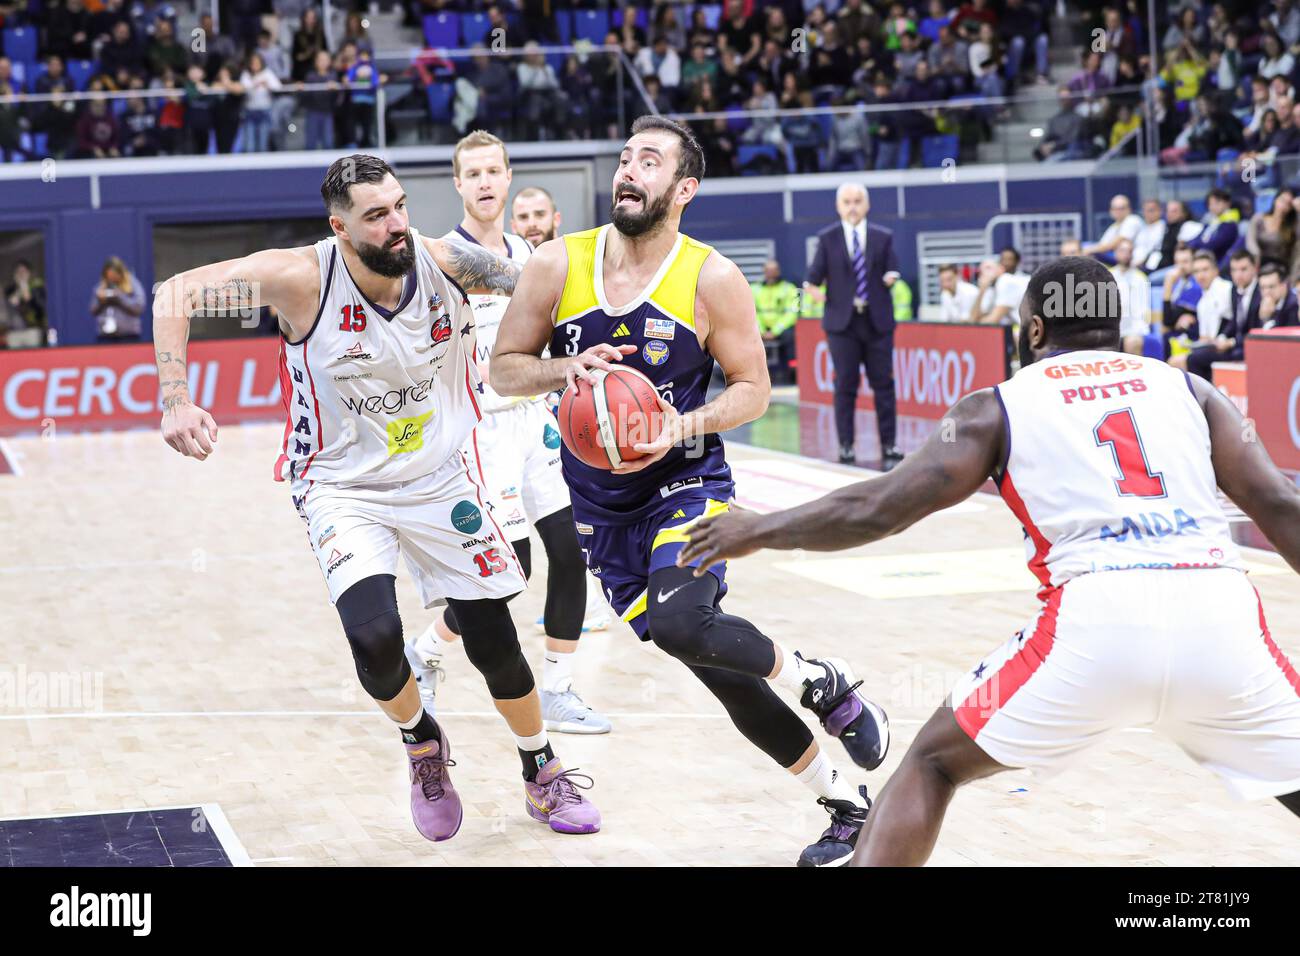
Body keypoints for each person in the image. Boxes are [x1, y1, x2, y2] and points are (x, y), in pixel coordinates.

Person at [679, 255, 1300, 866]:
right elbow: (1279, 503)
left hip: (1096, 621)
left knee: (933, 764)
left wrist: (761, 529)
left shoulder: (996, 405)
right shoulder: (1191, 390)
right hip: (1221, 616)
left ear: (1033, 330)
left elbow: (879, 507)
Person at [154, 154, 599, 842]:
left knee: (494, 643)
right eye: (376, 215)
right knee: (374, 637)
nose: (397, 225)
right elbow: (173, 293)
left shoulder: (444, 260)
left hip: (440, 478)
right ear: (339, 227)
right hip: (341, 485)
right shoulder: (300, 278)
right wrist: (176, 399)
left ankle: (541, 767)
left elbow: (547, 287)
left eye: (399, 206)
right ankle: (422, 741)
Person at [491, 116, 890, 866]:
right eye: (625, 158)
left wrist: (683, 426)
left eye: (650, 161)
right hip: (601, 513)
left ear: (684, 188)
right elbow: (503, 368)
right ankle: (847, 805)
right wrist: (560, 371)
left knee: (682, 625)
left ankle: (822, 682)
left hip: (687, 482)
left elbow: (754, 389)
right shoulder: (556, 264)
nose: (629, 171)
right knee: (717, 667)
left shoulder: (710, 276)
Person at [402, 133, 613, 736]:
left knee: (573, 555)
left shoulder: (530, 253)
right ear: (459, 184)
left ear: (508, 175)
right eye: (474, 173)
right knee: (509, 570)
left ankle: (558, 689)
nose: (486, 181)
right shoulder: (442, 257)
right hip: (482, 434)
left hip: (538, 427)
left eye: (495, 170)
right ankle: (426, 651)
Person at [805, 184, 903, 468]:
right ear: (838, 206)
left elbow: (893, 268)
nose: (852, 207)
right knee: (845, 384)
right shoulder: (828, 239)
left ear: (867, 205)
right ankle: (846, 445)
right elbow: (812, 277)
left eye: (858, 201)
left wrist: (891, 277)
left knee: (883, 384)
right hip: (842, 324)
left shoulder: (883, 237)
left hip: (877, 322)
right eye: (847, 202)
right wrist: (814, 292)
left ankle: (890, 443)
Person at [1182, 250, 1258, 381]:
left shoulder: (1228, 289)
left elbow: (1251, 328)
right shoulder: (1234, 290)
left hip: (1246, 346)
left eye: (1243, 269)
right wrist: (1221, 338)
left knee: (1192, 359)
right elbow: (1234, 322)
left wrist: (1230, 341)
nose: (1238, 275)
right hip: (1231, 344)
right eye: (1234, 270)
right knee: (1193, 357)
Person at [1169, 250, 1235, 375]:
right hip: (1211, 347)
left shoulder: (1227, 289)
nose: (1201, 275)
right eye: (1197, 271)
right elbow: (1204, 338)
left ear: (1215, 271)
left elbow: (1233, 323)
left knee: (1180, 362)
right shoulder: (1202, 302)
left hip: (1228, 346)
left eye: (1205, 270)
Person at [752, 258, 800, 384]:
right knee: (749, 337)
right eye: (768, 271)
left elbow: (792, 313)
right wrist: (761, 330)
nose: (771, 274)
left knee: (792, 337)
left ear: (778, 271)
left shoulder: (790, 289)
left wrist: (775, 330)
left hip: (781, 328)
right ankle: (756, 375)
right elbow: (752, 312)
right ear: (764, 272)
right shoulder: (754, 289)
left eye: (773, 271)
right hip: (761, 327)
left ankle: (793, 372)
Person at [1109, 237, 1151, 354]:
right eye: (1122, 250)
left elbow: (1143, 310)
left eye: (1129, 251)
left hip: (1134, 328)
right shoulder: (1107, 275)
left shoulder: (1140, 277)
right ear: (1115, 253)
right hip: (1112, 327)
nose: (1126, 254)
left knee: (1132, 342)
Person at [90, 256, 144, 342]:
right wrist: (101, 301)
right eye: (109, 276)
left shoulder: (133, 284)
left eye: (114, 275)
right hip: (105, 337)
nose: (112, 279)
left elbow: (139, 307)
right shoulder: (101, 287)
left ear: (121, 273)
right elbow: (93, 310)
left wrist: (119, 297)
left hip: (129, 336)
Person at [1083, 194, 1142, 262]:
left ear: (1129, 209)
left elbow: (1111, 245)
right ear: (1110, 210)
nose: (1118, 211)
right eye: (1115, 208)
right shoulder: (1115, 226)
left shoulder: (1132, 220)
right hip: (1118, 263)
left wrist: (1088, 250)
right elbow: (1102, 244)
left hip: (1135, 263)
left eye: (1121, 208)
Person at [5, 259, 46, 346]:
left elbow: (40, 308)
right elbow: (9, 305)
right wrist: (19, 290)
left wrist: (27, 292)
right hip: (14, 331)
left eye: (23, 271)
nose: (21, 274)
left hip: (32, 329)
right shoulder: (10, 289)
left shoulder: (37, 287)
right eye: (18, 272)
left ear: (29, 273)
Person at [1256, 262, 1300, 330]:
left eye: (1271, 287)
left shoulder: (1294, 304)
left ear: (1284, 285)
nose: (1266, 292)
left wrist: (1266, 319)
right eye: (1263, 288)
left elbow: (1283, 337)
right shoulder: (1260, 302)